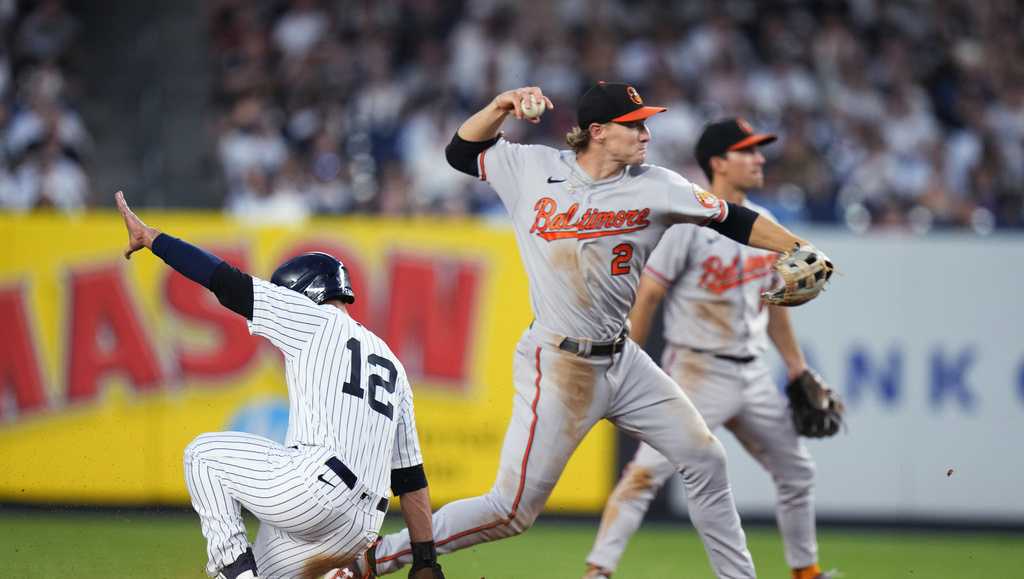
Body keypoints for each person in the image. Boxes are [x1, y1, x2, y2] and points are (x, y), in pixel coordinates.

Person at [351, 83, 833, 579]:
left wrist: (794, 246)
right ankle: (374, 560)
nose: (646, 134)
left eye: (646, 123)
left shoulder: (657, 184)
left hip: (623, 361)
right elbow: (460, 152)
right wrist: (500, 106)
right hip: (559, 364)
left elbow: (732, 218)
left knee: (706, 459)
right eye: (635, 125)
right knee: (512, 511)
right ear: (598, 132)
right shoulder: (532, 167)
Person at [113, 191, 445, 579]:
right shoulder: (392, 364)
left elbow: (226, 281)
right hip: (360, 527)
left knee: (203, 456)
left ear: (304, 293)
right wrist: (426, 560)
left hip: (315, 492)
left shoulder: (312, 318)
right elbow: (410, 478)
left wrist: (154, 239)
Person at [582, 118, 835, 579]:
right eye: (747, 151)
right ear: (718, 163)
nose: (759, 159)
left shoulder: (766, 224)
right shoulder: (689, 221)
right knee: (645, 475)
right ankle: (599, 570)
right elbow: (649, 295)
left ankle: (806, 571)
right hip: (696, 373)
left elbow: (774, 305)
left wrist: (797, 367)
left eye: (758, 150)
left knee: (798, 472)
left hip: (752, 373)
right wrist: (627, 366)